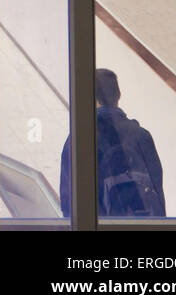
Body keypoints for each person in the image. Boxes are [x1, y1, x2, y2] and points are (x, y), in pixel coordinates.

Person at [59, 68, 166, 218]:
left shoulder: (80, 140)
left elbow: (69, 205)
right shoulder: (143, 137)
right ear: (118, 96)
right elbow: (158, 196)